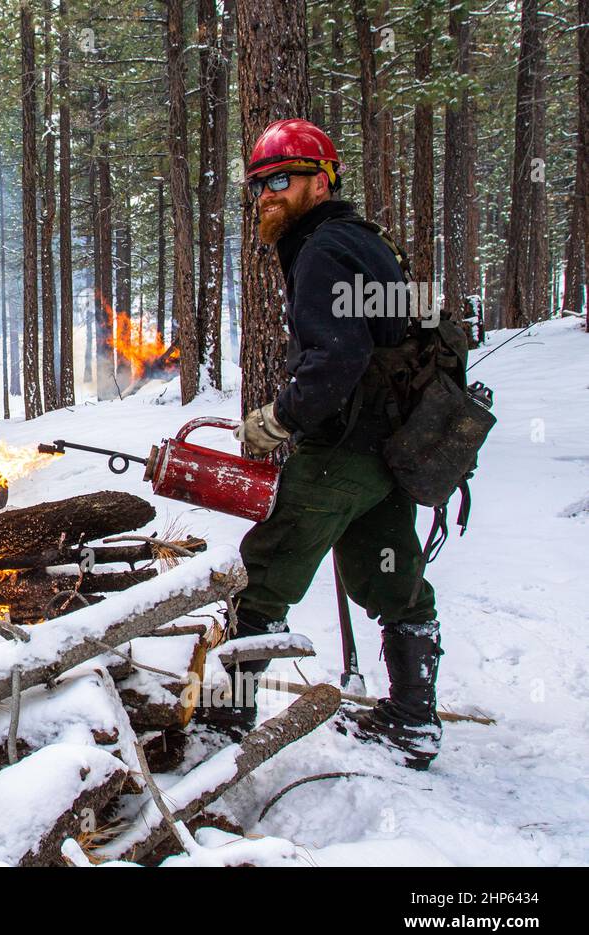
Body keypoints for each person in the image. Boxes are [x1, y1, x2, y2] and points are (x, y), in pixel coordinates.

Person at [223, 118, 443, 770]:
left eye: (281, 179)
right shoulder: (365, 243)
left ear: (321, 182)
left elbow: (337, 357)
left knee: (262, 579)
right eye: (259, 183)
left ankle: (218, 726)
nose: (267, 193)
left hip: (343, 453)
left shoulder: (321, 250)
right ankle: (412, 721)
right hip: (389, 451)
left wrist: (281, 419)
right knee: (395, 579)